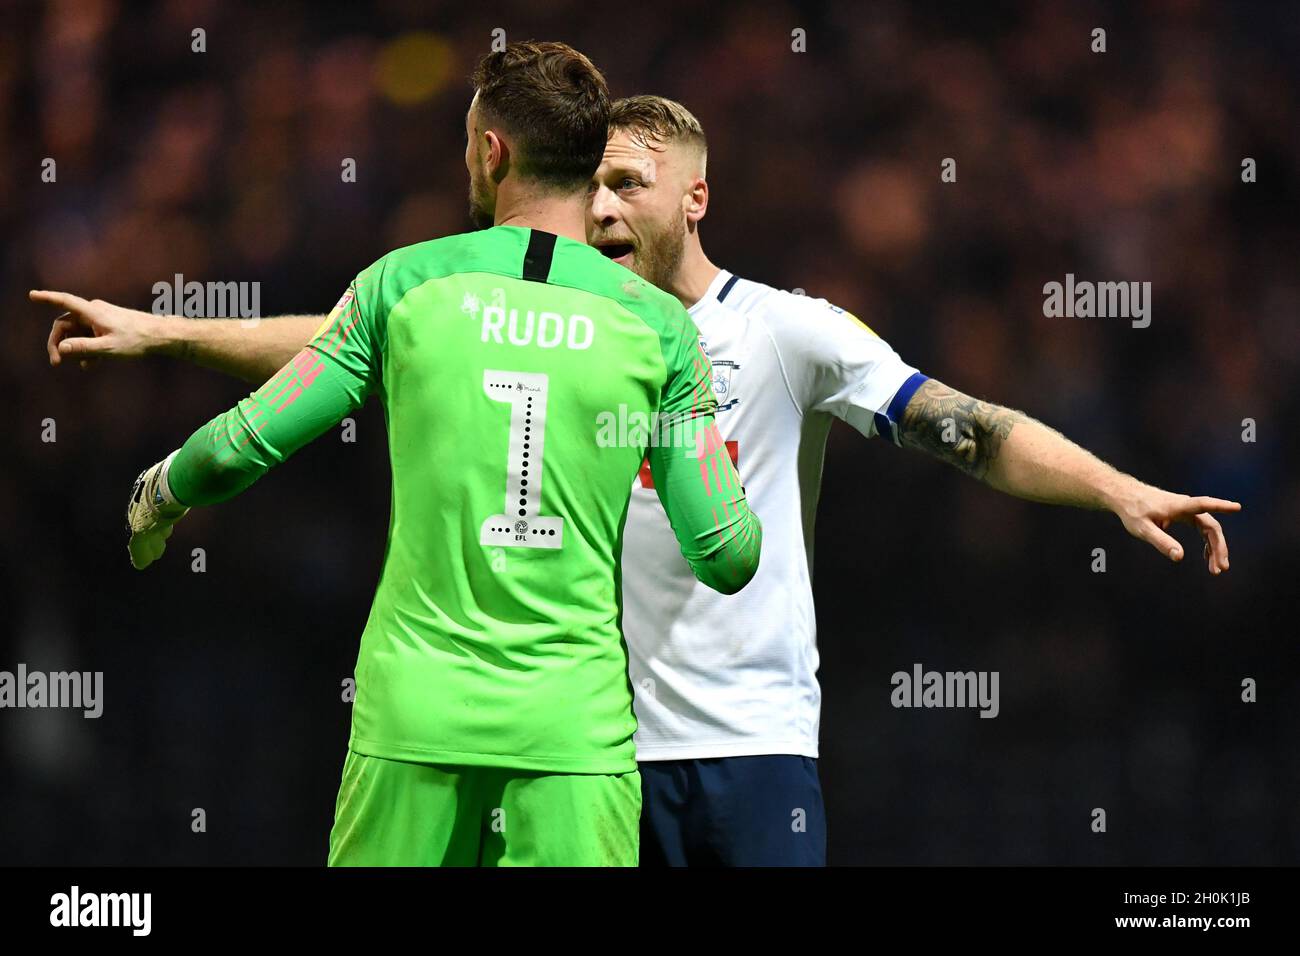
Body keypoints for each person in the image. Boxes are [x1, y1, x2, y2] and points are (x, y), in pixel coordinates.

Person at [37, 95, 1237, 867]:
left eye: (633, 184)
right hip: (591, 750)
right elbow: (346, 338)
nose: (605, 205)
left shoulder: (787, 330)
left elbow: (964, 427)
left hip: (753, 744)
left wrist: (1113, 486)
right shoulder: (535, 315)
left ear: (694, 198)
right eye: (594, 181)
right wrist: (165, 330)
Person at [32, 52, 761, 867]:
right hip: (571, 730)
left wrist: (160, 494)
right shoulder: (659, 328)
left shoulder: (406, 284)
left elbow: (246, 442)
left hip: (415, 715)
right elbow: (725, 554)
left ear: (492, 153)